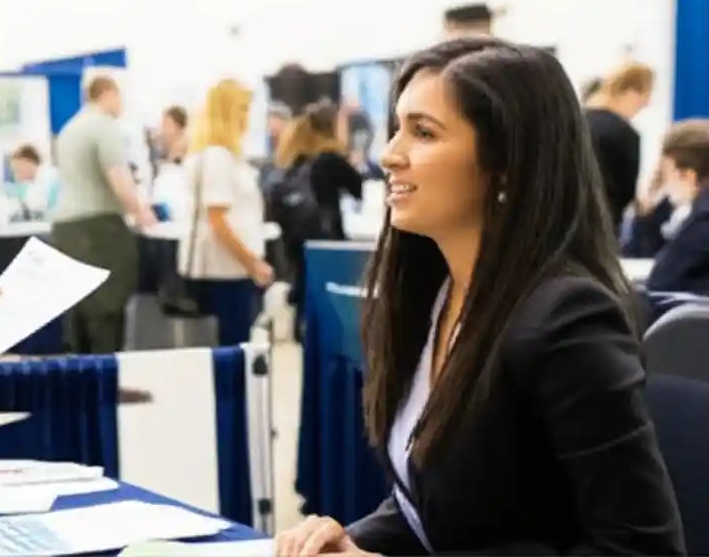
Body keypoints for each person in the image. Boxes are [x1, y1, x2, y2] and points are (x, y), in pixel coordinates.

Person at [275, 38, 683, 556]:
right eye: (397, 128)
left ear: (506, 164)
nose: (390, 155)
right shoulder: (437, 294)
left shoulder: (566, 320)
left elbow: (640, 549)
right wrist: (348, 541)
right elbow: (435, 502)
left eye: (423, 132)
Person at [52, 75, 157, 354]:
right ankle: (106, 377)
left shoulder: (68, 129)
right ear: (107, 93)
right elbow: (119, 178)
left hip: (65, 228)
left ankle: (80, 379)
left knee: (78, 311)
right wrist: (143, 214)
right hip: (98, 229)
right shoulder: (104, 126)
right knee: (106, 312)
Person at [179, 79, 273, 346]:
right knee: (232, 353)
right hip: (226, 274)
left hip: (229, 271)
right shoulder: (217, 157)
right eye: (242, 109)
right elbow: (217, 221)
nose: (247, 117)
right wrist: (252, 263)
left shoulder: (215, 155)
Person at [271, 101, 363, 312]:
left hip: (296, 255)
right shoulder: (331, 161)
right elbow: (359, 190)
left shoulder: (292, 164)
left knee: (307, 314)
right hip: (328, 251)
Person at [585, 61, 654, 232]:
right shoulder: (624, 134)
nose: (647, 103)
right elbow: (625, 191)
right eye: (645, 95)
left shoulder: (574, 122)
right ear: (631, 92)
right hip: (602, 227)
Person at [645, 119, 709, 296]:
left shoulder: (703, 219)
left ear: (688, 175)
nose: (664, 185)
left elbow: (659, 282)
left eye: (665, 174)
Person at [3, 144, 58, 219]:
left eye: (17, 170)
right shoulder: (30, 184)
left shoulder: (50, 177)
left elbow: (40, 207)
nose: (16, 176)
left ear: (27, 163)